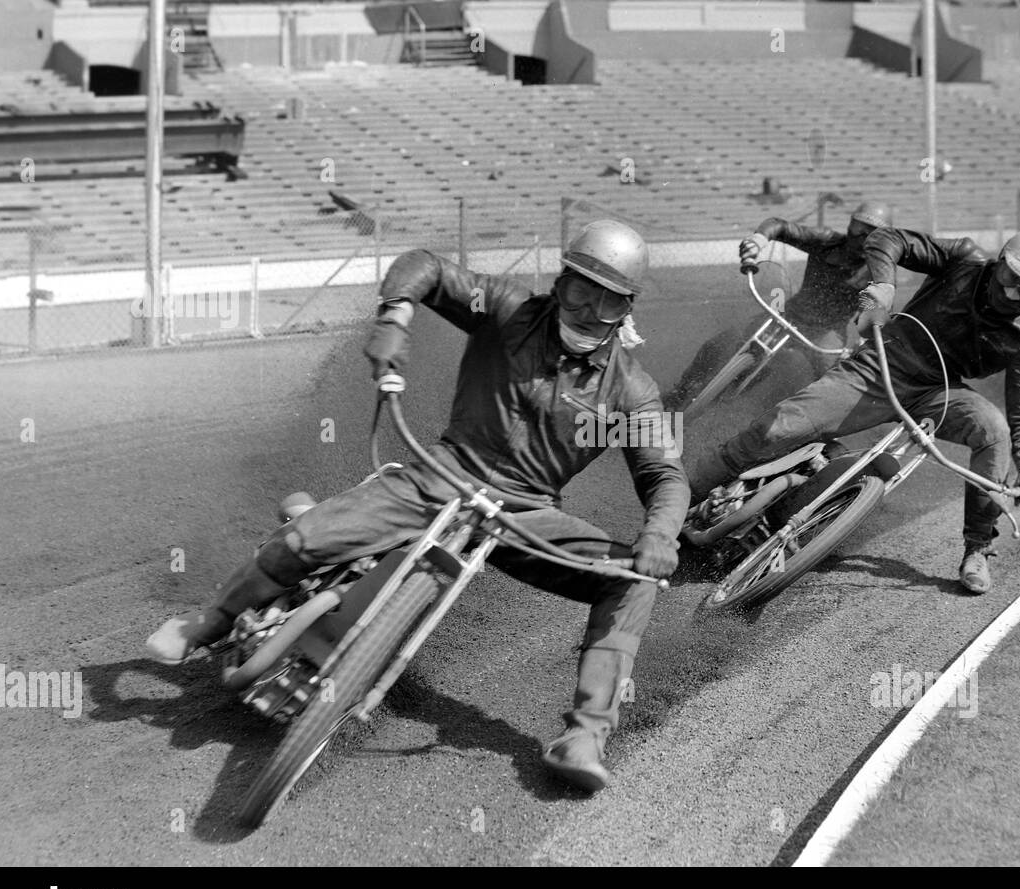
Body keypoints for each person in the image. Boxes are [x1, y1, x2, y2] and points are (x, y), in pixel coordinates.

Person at [144, 220, 690, 793]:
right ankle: (210, 622)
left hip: (526, 515)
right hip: (440, 475)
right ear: (560, 281)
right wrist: (394, 316)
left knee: (631, 583)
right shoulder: (505, 309)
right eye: (581, 289)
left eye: (607, 301)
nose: (587, 309)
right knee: (307, 538)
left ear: (626, 309)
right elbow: (425, 266)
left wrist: (661, 535)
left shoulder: (633, 391)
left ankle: (585, 736)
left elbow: (665, 475)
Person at [687, 229, 1020, 595]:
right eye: (1012, 277)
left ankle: (978, 548)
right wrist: (885, 284)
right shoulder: (963, 258)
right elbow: (887, 239)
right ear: (999, 263)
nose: (1015, 292)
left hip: (939, 391)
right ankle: (685, 493)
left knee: (993, 431)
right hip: (879, 367)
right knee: (779, 428)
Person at [664, 200, 894, 408]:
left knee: (830, 386)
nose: (860, 236)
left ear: (881, 239)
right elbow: (780, 226)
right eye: (857, 227)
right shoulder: (826, 242)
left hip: (826, 333)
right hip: (790, 316)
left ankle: (820, 442)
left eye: (870, 232)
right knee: (717, 344)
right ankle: (680, 392)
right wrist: (758, 241)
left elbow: (872, 316)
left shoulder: (876, 273)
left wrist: (862, 342)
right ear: (850, 223)